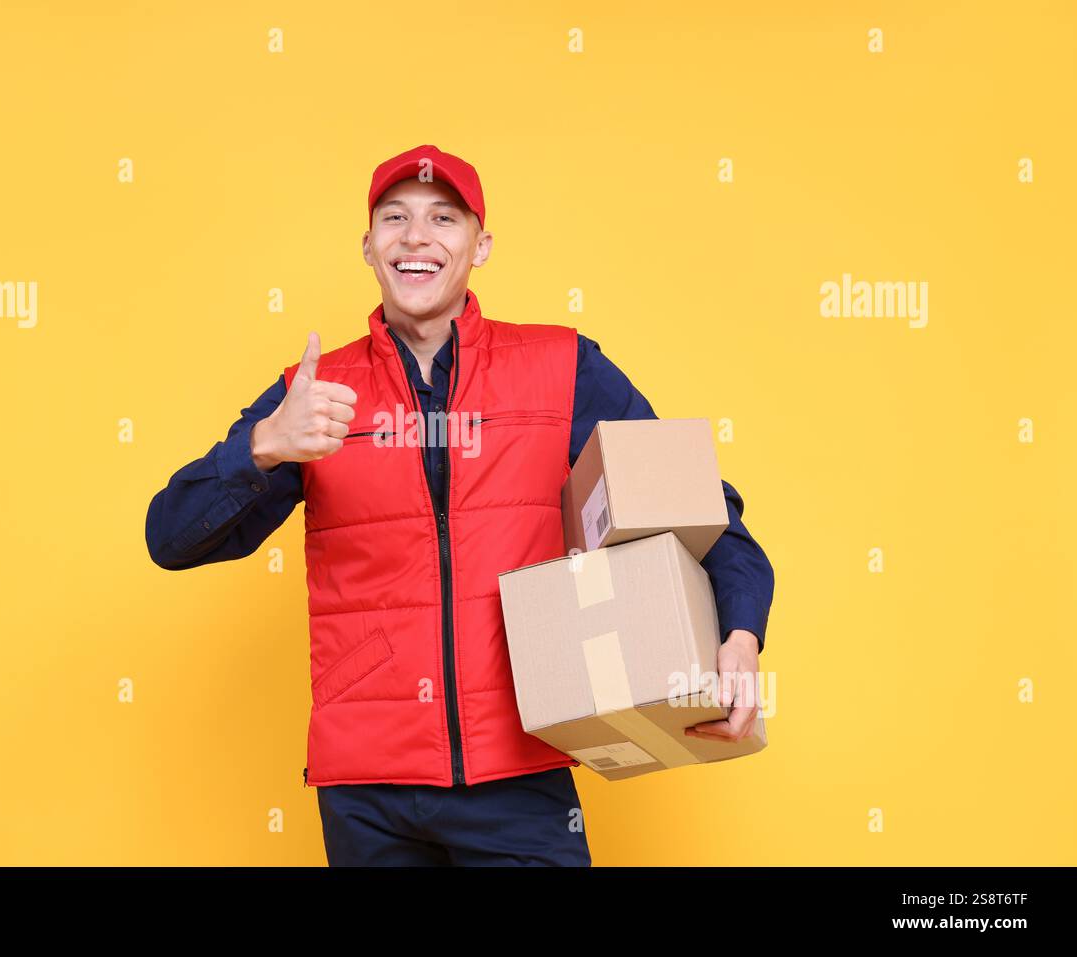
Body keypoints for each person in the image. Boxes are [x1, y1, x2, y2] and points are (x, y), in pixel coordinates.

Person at [146, 145, 775, 866]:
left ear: (481, 245)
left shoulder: (562, 368)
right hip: (366, 789)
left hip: (520, 768)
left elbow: (694, 501)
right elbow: (170, 536)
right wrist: (260, 446)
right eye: (395, 218)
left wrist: (742, 632)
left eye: (444, 218)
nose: (417, 237)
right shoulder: (314, 394)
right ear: (368, 245)